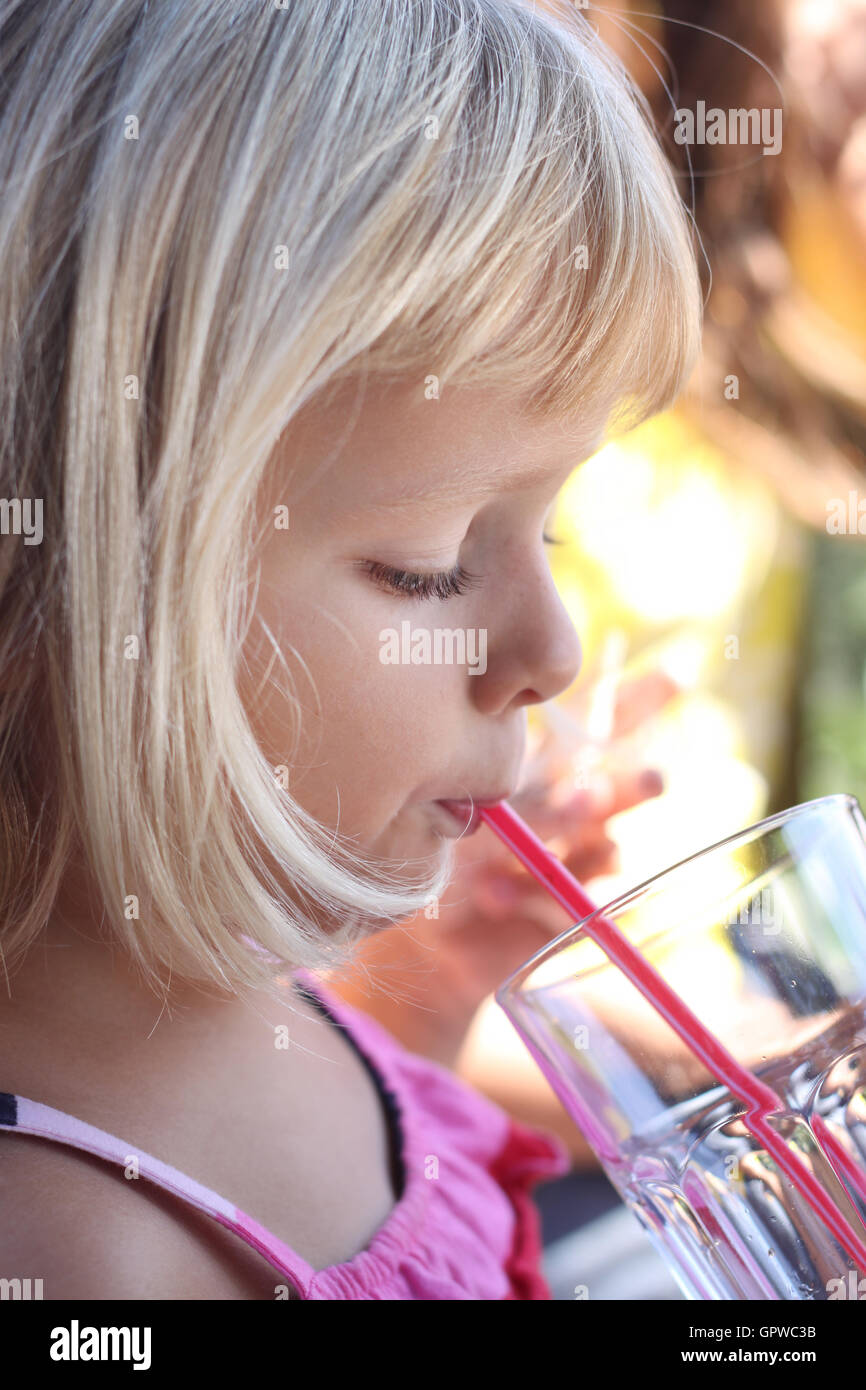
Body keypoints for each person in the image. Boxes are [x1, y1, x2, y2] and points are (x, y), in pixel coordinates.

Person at [0, 0, 702, 1299]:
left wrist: (425, 989)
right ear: (66, 563)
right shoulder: (73, 1255)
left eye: (553, 524)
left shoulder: (250, 991)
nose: (551, 644)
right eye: (427, 559)